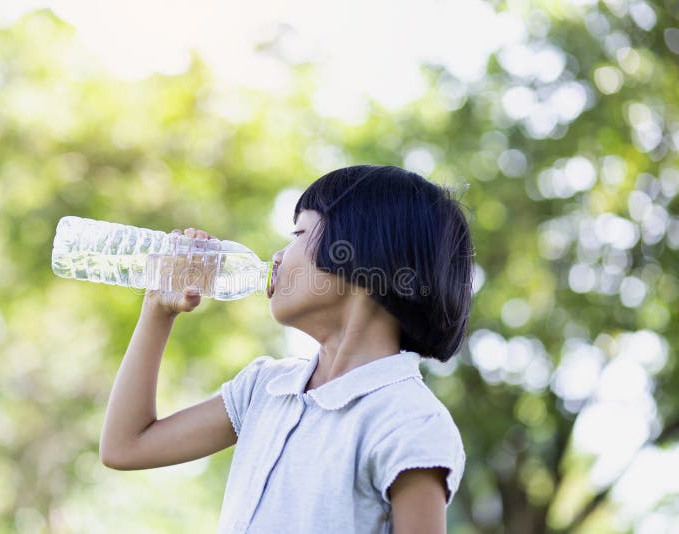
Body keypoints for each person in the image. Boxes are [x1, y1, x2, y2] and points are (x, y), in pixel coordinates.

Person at [99, 164, 474, 533]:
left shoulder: (409, 422)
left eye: (298, 232)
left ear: (359, 253)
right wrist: (157, 310)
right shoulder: (265, 389)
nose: (277, 256)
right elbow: (125, 446)